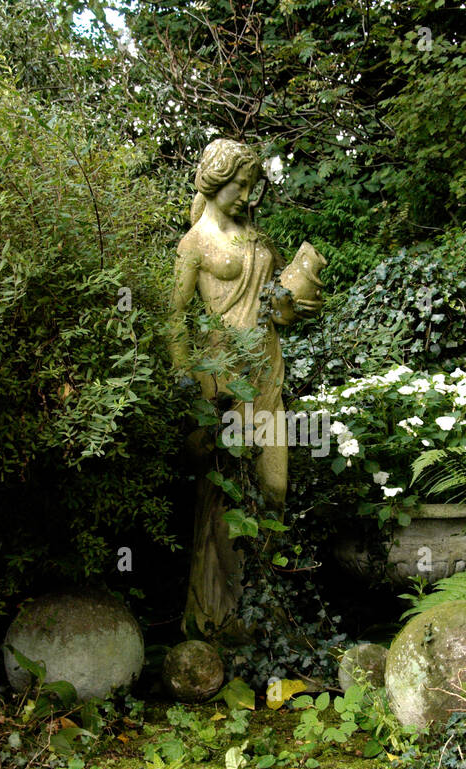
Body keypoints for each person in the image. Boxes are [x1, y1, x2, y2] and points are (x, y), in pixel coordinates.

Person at [165, 138, 320, 636]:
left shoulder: (259, 242)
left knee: (274, 488)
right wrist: (186, 377)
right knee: (224, 495)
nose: (247, 197)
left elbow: (277, 309)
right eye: (239, 186)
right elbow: (174, 318)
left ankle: (258, 602)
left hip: (266, 370)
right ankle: (223, 615)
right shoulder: (193, 245)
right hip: (222, 378)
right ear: (214, 183)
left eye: (252, 187)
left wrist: (295, 306)